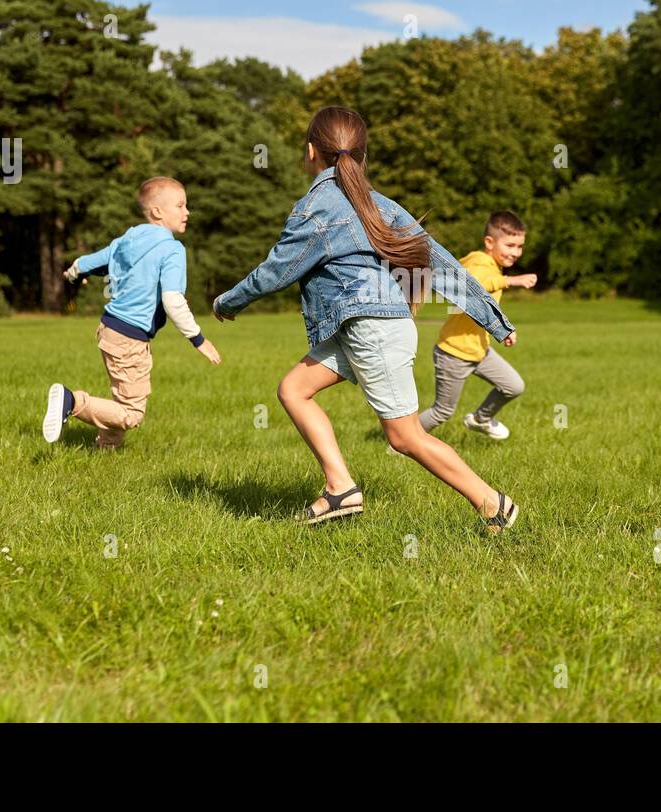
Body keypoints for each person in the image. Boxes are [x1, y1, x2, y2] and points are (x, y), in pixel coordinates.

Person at [212, 106, 520, 532]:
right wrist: (494, 319)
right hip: (364, 324)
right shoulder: (378, 203)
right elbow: (442, 264)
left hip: (371, 328)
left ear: (310, 151)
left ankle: (494, 503)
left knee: (405, 437)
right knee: (294, 389)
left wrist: (227, 302)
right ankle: (340, 489)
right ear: (361, 154)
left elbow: (276, 270)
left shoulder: (314, 208)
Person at [42, 176, 221, 449]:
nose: (187, 212)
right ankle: (72, 401)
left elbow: (87, 263)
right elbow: (172, 300)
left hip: (109, 330)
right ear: (157, 211)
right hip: (130, 338)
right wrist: (198, 339)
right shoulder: (172, 249)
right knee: (132, 414)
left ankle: (106, 449)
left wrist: (74, 276)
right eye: (181, 205)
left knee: (122, 398)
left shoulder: (129, 238)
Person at [419, 210, 535, 440]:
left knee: (513, 386)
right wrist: (512, 281)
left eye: (519, 246)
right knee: (442, 412)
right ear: (489, 242)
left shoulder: (493, 265)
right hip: (453, 352)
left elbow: (485, 305)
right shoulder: (479, 261)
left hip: (479, 350)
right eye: (510, 245)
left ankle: (481, 419)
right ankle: (400, 439)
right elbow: (476, 284)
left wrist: (502, 329)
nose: (516, 252)